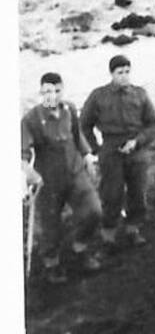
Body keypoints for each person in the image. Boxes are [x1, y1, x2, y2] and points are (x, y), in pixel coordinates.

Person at [21, 73, 104, 283]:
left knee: (94, 211)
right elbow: (22, 152)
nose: (53, 96)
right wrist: (27, 171)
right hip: (48, 180)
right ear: (41, 92)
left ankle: (80, 247)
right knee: (50, 227)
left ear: (62, 91)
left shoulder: (69, 109)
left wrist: (87, 155)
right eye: (48, 91)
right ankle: (52, 264)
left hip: (75, 173)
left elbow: (77, 136)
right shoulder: (30, 119)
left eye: (57, 90)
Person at [80, 55, 155, 248]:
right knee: (111, 195)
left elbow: (153, 125)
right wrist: (95, 149)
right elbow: (83, 125)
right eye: (119, 72)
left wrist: (138, 141)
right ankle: (109, 236)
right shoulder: (98, 96)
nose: (124, 76)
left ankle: (133, 229)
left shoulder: (140, 94)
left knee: (138, 193)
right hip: (110, 150)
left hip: (137, 151)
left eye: (127, 72)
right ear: (112, 74)